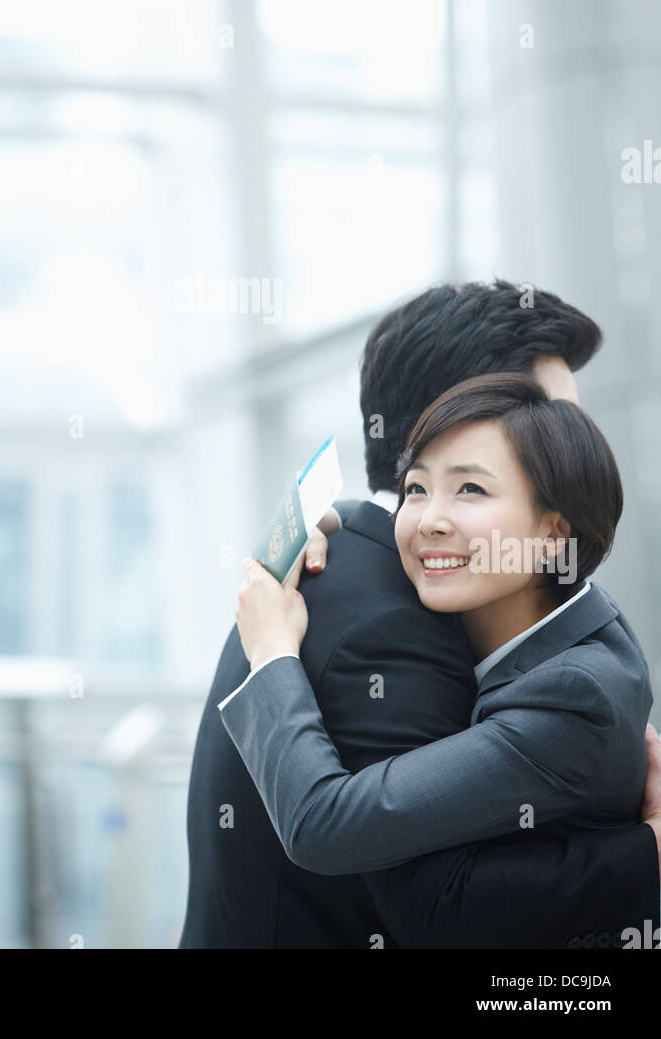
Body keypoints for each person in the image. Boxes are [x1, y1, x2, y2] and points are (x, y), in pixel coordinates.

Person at [179, 280, 661, 949]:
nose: (573, 449)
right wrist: (647, 857)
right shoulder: (391, 616)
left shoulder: (348, 550)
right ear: (465, 410)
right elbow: (439, 903)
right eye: (551, 421)